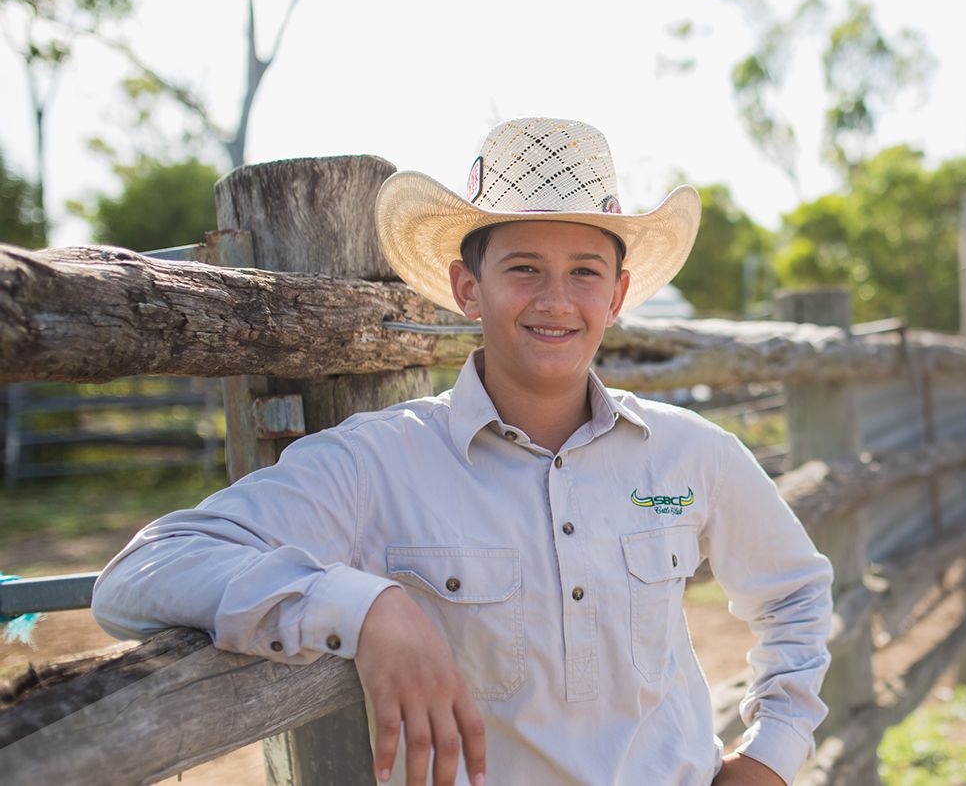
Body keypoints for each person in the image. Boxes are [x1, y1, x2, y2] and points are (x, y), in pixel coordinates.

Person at [91, 117, 834, 786]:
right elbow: (139, 575)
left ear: (616, 294)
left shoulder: (689, 455)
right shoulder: (379, 463)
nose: (555, 299)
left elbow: (796, 592)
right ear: (466, 287)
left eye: (584, 271)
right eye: (522, 269)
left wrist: (774, 752)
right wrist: (366, 605)